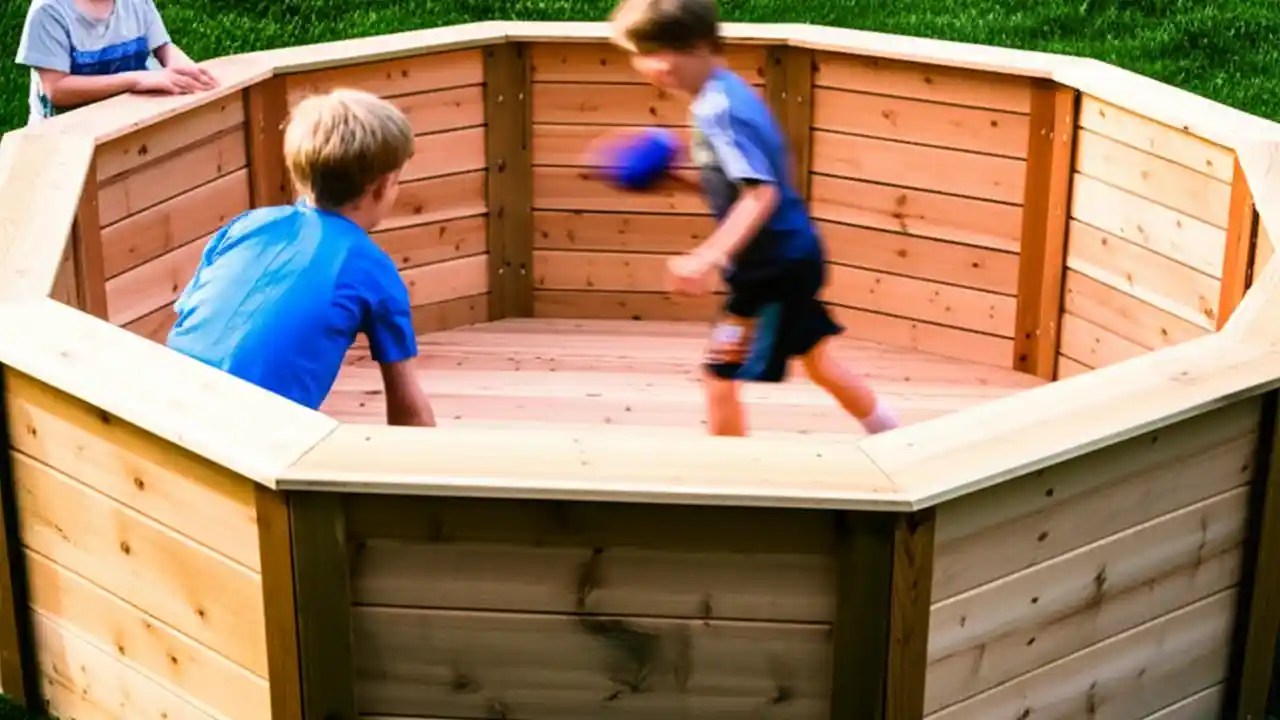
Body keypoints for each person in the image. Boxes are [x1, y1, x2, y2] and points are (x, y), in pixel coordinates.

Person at [607, 0, 899, 436]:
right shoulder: (724, 91)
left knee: (718, 376)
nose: (652, 65)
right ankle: (894, 437)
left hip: (773, 271)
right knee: (819, 362)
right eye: (643, 53)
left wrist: (706, 257)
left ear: (700, 46)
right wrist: (677, 179)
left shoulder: (718, 111)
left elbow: (761, 193)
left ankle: (729, 480)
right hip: (790, 257)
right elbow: (744, 182)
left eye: (659, 51)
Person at [165, 89, 437, 427]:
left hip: (165, 405)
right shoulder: (371, 267)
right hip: (250, 442)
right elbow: (407, 405)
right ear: (382, 187)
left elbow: (191, 321)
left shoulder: (247, 226)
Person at [16, 0, 218, 125]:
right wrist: (135, 80)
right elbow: (57, 90)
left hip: (127, 124)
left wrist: (189, 72)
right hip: (63, 136)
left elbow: (164, 47)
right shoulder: (49, 11)